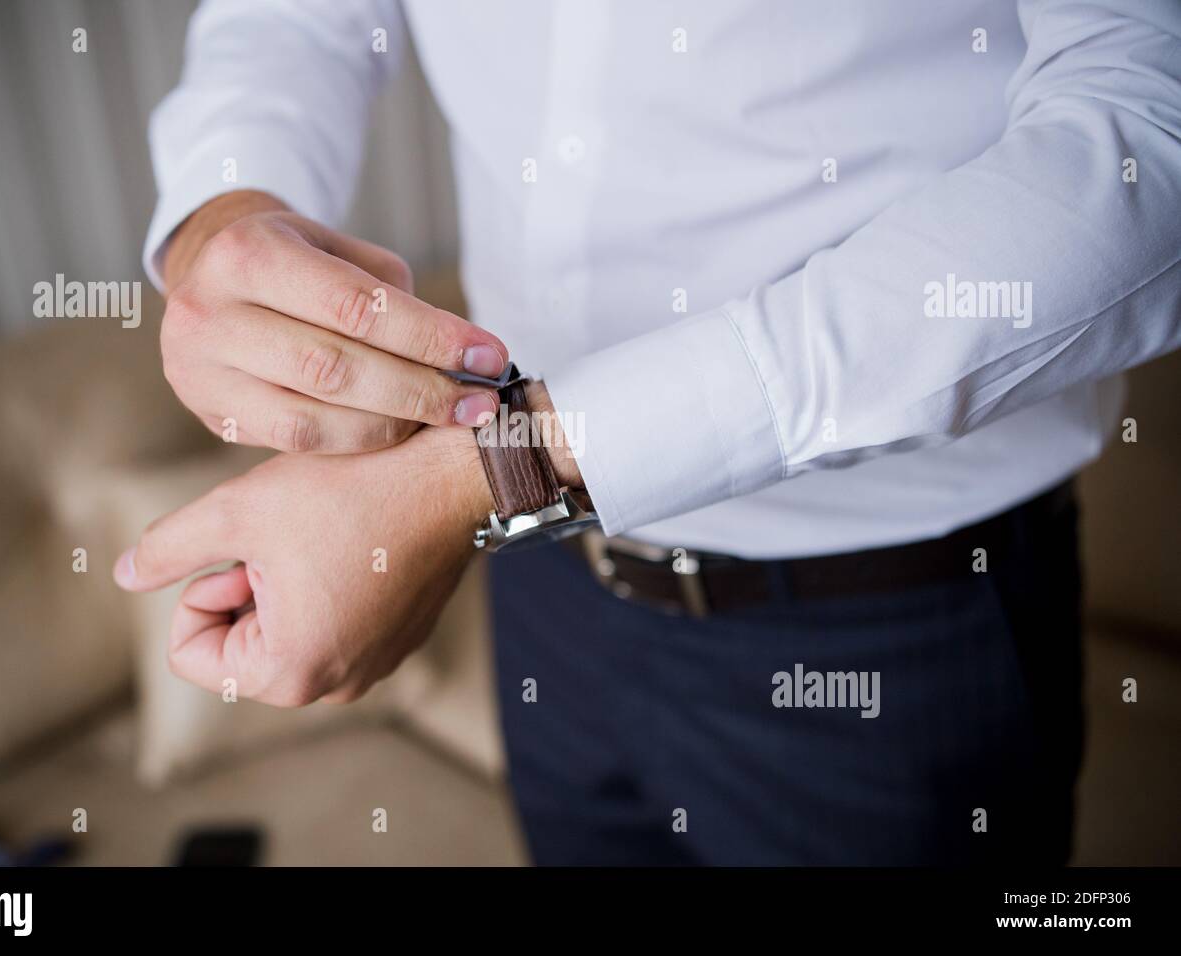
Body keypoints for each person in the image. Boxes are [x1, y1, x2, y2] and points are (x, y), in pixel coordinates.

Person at [113, 0, 1181, 865]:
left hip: (883, 631)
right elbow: (296, 20)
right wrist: (222, 208)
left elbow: (1146, 137)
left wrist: (476, 477)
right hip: (542, 591)